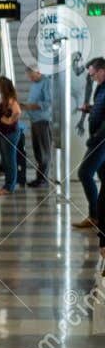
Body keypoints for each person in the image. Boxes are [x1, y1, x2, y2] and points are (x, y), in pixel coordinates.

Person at [76, 57, 105, 230]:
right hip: (98, 138)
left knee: (84, 173)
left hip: (101, 140)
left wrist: (95, 139)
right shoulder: (101, 88)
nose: (92, 79)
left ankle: (95, 216)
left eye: (93, 75)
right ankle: (99, 216)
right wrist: (91, 108)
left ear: (102, 70)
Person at [0, 76, 22, 197]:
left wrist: (9, 120)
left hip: (9, 133)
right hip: (1, 132)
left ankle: (9, 187)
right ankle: (7, 185)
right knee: (5, 160)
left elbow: (17, 112)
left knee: (10, 160)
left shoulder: (10, 99)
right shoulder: (2, 98)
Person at [22, 67, 53, 189]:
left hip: (43, 120)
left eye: (31, 76)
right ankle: (39, 178)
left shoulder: (46, 82)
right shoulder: (35, 83)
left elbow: (48, 102)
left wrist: (30, 106)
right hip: (34, 120)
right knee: (38, 151)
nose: (30, 79)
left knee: (44, 151)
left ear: (38, 71)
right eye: (28, 77)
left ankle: (43, 180)